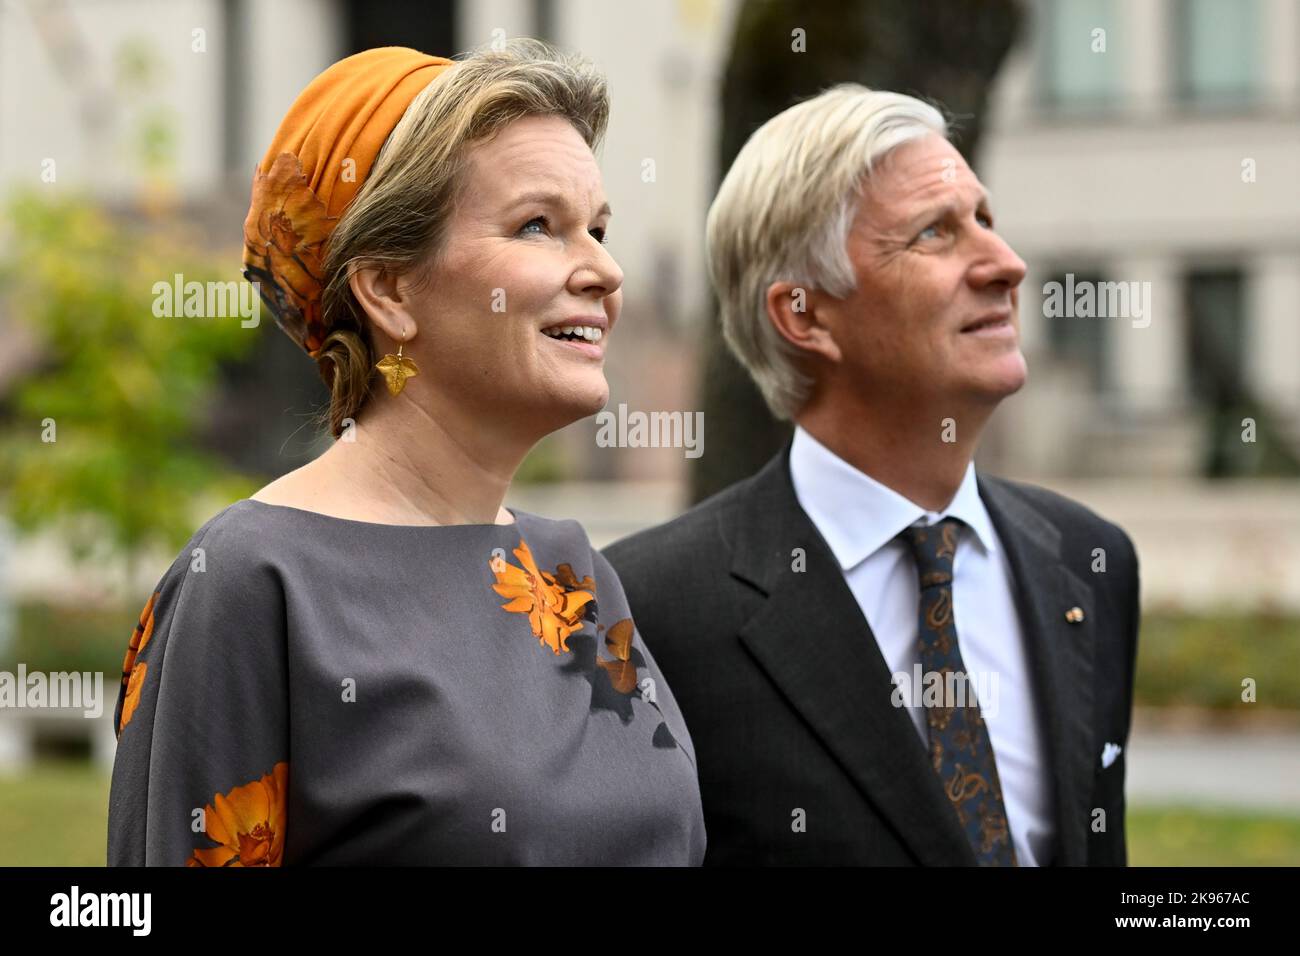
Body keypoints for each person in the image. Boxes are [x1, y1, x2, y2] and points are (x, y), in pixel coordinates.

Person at [108, 40, 705, 866]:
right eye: (539, 226)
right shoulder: (254, 581)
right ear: (389, 288)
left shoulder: (573, 574)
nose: (604, 269)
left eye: (598, 229)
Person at [603, 84, 1140, 866]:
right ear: (805, 316)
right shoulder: (653, 608)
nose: (1006, 263)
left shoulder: (1089, 562)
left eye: (985, 219)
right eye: (935, 233)